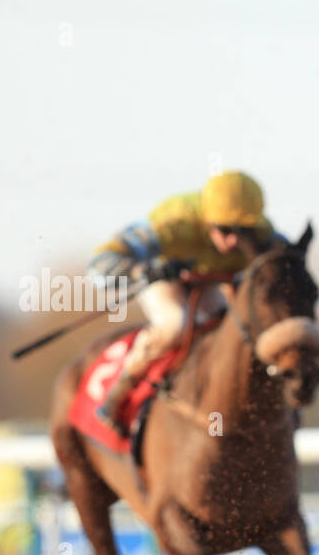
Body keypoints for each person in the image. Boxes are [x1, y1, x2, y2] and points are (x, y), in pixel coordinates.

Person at [85, 171, 282, 432]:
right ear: (206, 221)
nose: (235, 240)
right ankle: (118, 396)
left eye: (244, 231)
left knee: (233, 331)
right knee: (175, 325)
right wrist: (142, 272)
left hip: (212, 282)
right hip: (165, 278)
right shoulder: (174, 222)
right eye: (225, 230)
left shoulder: (265, 235)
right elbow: (99, 269)